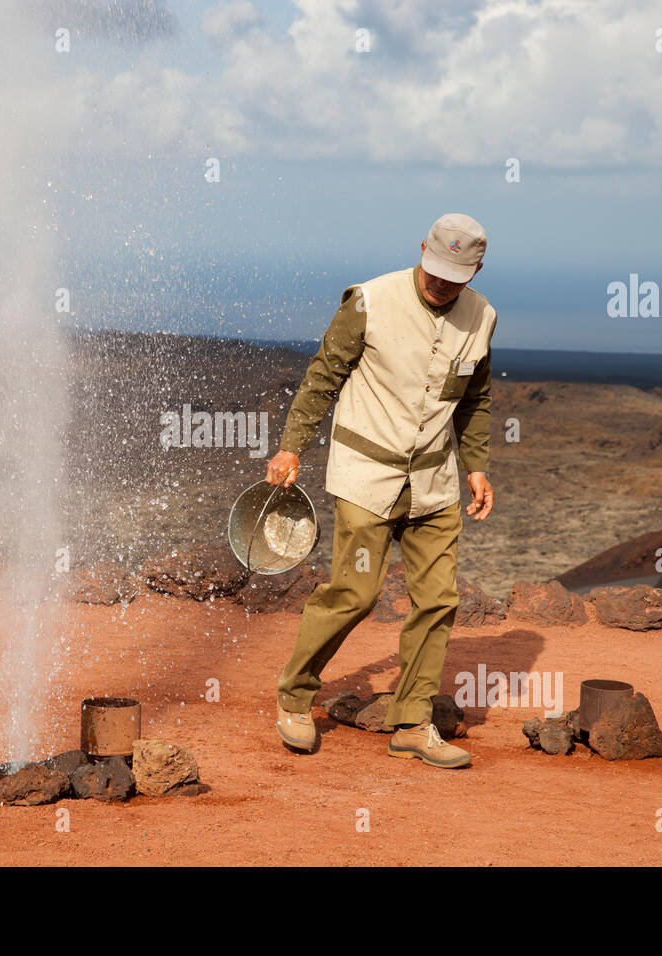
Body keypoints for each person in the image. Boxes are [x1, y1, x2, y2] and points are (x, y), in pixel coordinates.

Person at [265, 213, 497, 769]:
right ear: (422, 249)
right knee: (355, 593)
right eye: (436, 270)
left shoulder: (482, 317)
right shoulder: (368, 302)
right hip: (367, 477)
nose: (442, 285)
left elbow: (474, 399)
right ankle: (295, 698)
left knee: (439, 600)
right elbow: (324, 375)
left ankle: (413, 723)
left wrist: (477, 467)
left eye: (456, 277)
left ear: (477, 270)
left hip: (434, 484)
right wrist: (292, 445)